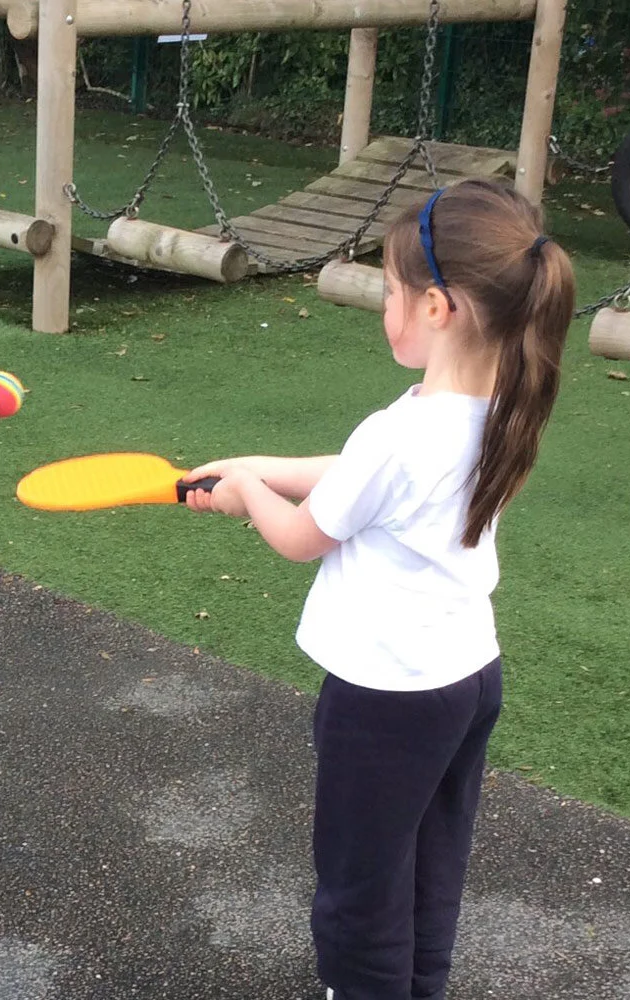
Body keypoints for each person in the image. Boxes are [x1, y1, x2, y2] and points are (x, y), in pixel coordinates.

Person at [183, 178, 575, 1000]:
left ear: (437, 308)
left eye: (391, 293)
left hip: (386, 697)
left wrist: (249, 495)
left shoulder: (398, 435)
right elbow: (355, 482)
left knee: (359, 889)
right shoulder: (503, 405)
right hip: (467, 679)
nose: (385, 308)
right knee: (432, 861)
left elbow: (302, 535)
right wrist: (255, 465)